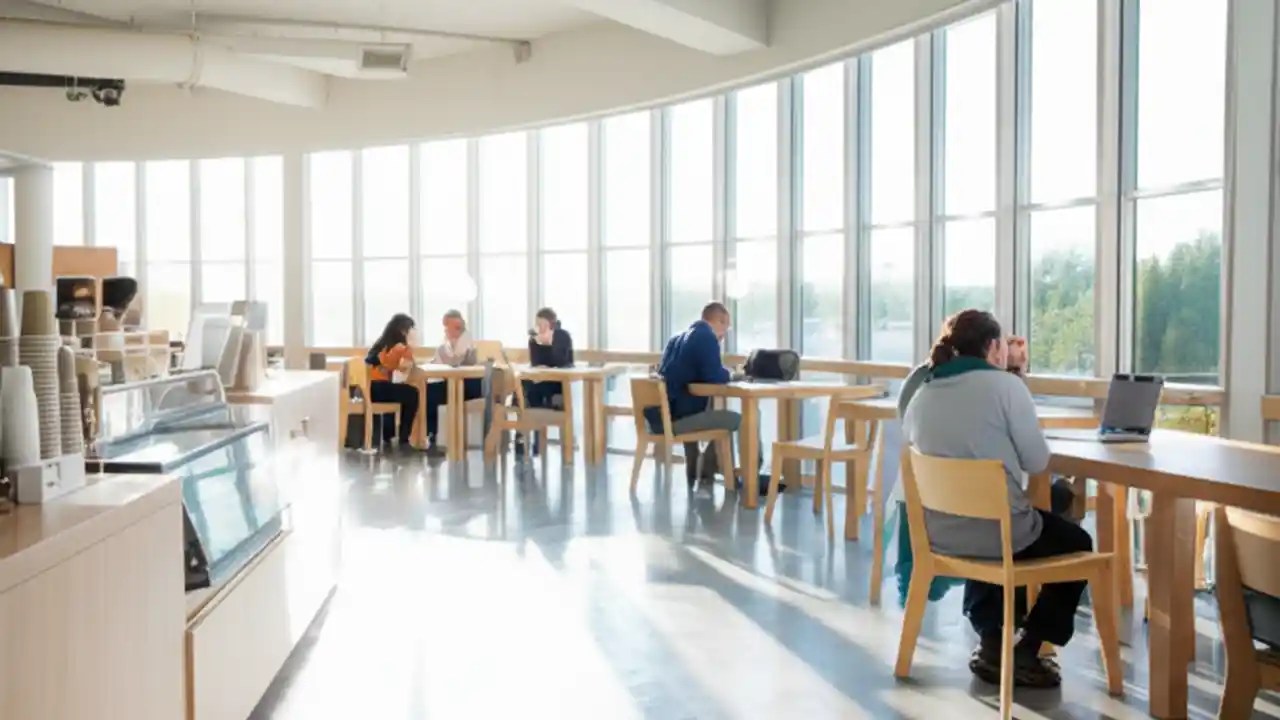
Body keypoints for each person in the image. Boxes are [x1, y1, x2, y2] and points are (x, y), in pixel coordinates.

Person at [902, 309, 1092, 689]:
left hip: (941, 533)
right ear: (993, 346)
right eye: (1004, 343)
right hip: (998, 534)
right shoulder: (1006, 388)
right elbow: (1037, 461)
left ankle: (991, 644)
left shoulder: (923, 391)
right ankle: (1028, 650)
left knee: (995, 521)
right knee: (1076, 543)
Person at [648, 302, 744, 487]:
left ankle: (702, 469)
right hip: (676, 421)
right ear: (719, 321)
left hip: (659, 418)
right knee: (739, 419)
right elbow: (714, 376)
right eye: (726, 327)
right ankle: (748, 476)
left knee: (708, 414)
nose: (724, 335)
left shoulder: (676, 339)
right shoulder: (706, 337)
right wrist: (734, 374)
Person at [422, 310, 484, 455]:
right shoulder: (447, 343)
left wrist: (444, 356)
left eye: (447, 326)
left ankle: (432, 434)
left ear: (457, 326)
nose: (445, 329)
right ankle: (431, 434)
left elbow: (457, 362)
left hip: (469, 385)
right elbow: (439, 360)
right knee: (428, 391)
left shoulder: (466, 340)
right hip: (453, 382)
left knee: (432, 393)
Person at [364, 313, 419, 448]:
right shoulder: (398, 347)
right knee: (412, 393)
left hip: (371, 388)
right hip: (377, 388)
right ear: (403, 330)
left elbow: (375, 361)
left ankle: (389, 435)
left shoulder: (383, 342)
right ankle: (404, 438)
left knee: (397, 390)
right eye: (410, 329)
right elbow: (400, 366)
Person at [524, 307, 574, 408]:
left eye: (542, 324)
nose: (540, 327)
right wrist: (540, 345)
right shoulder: (534, 339)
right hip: (541, 377)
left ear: (551, 325)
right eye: (538, 324)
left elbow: (561, 361)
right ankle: (522, 415)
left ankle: (540, 415)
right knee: (524, 383)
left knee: (535, 388)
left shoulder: (562, 335)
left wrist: (550, 344)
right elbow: (535, 362)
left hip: (560, 379)